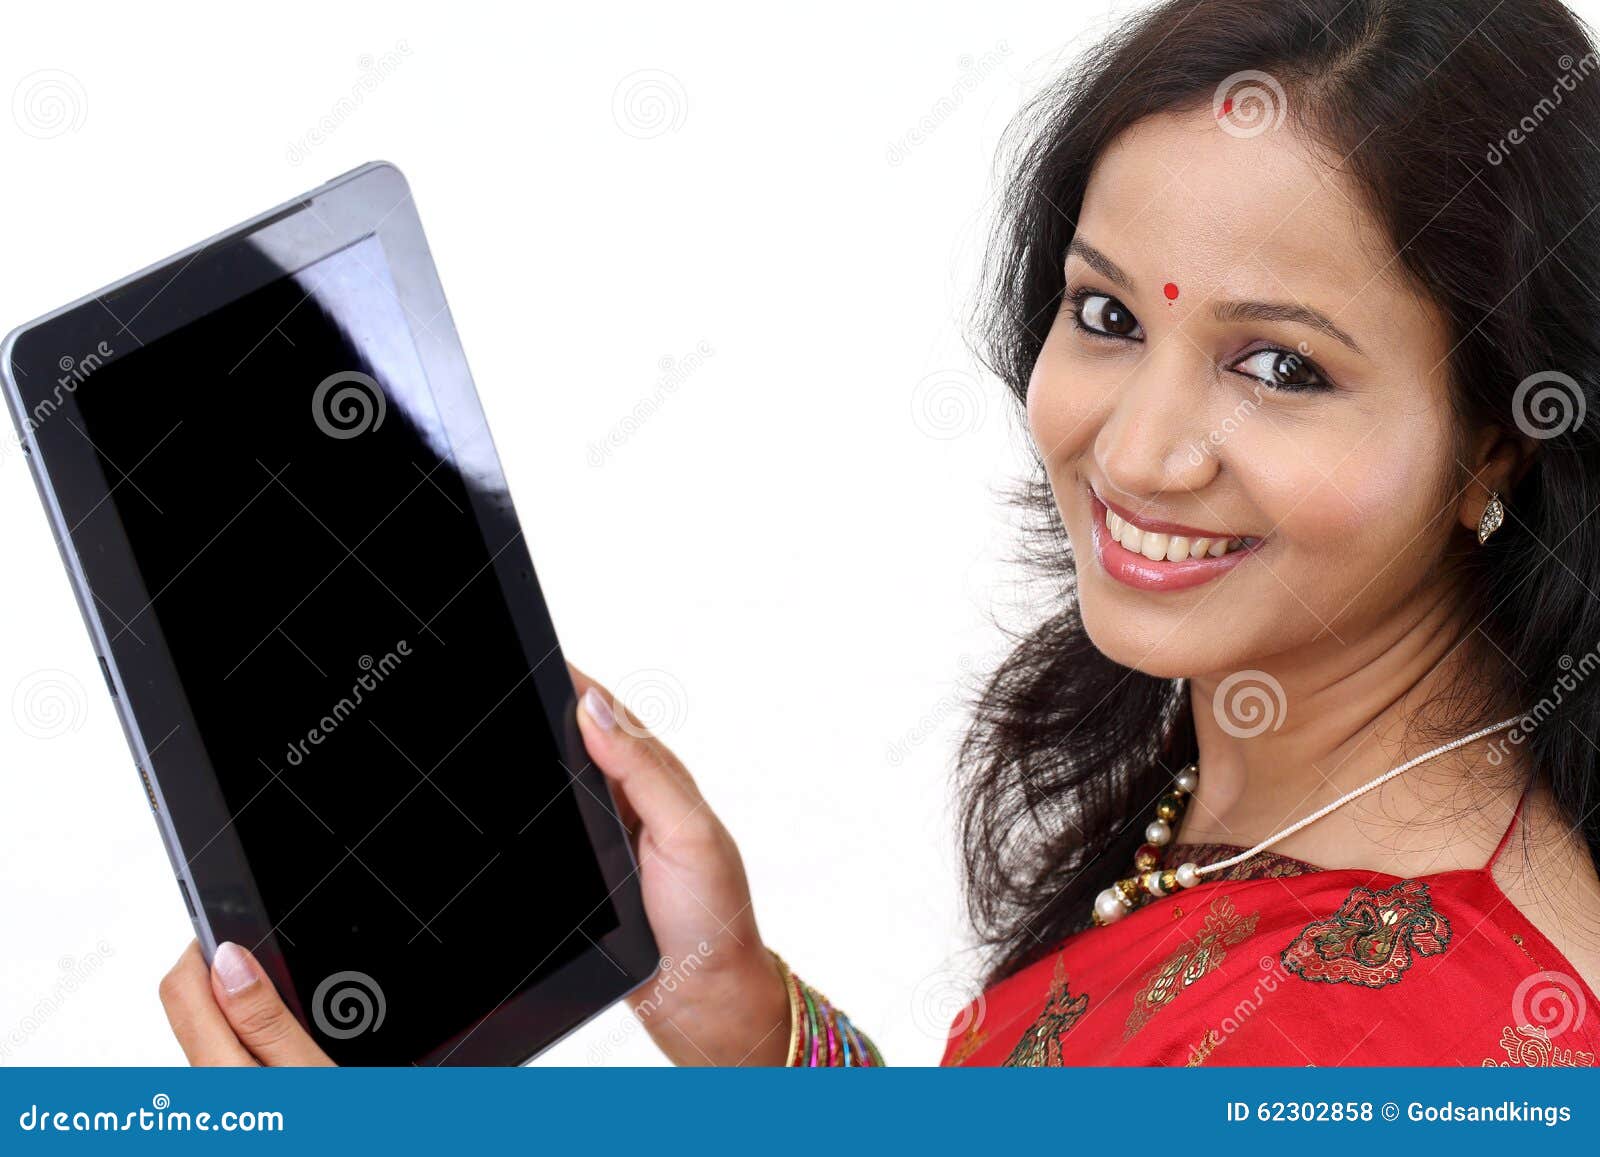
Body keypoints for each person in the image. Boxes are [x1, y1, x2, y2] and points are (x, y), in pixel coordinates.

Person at [160, 0, 1600, 1066]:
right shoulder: (1282, 766)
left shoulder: (1417, 1042)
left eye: (1279, 366)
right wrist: (748, 1014)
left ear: (1498, 431)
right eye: (1105, 316)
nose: (1138, 447)